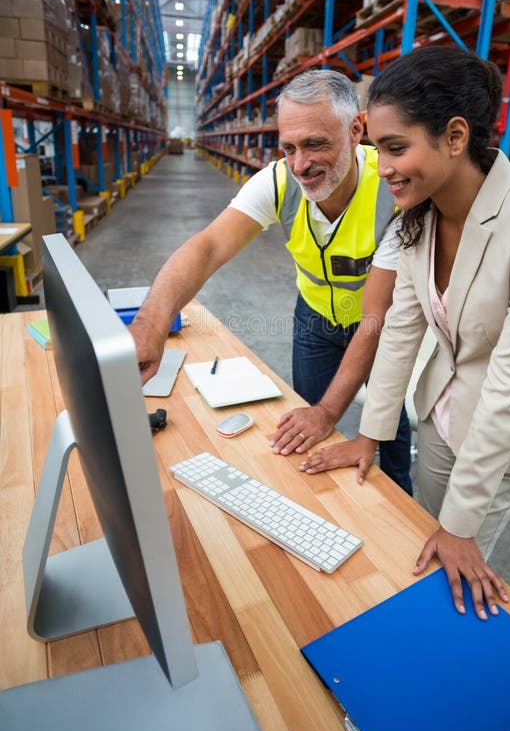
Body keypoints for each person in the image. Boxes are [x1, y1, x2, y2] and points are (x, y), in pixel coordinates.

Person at [300, 46, 510, 620]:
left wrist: (462, 527)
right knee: (420, 536)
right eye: (377, 148)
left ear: (455, 136)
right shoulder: (418, 220)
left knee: (453, 559)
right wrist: (371, 435)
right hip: (438, 412)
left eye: (395, 147)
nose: (381, 167)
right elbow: (399, 335)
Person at [130, 69, 412, 492]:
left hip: (380, 324)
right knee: (309, 425)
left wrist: (331, 410)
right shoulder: (279, 182)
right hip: (315, 323)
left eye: (316, 144)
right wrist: (150, 323)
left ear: (356, 130)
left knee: (387, 424)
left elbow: (380, 315)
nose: (301, 164)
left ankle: (402, 498)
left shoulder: (391, 187)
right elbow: (207, 247)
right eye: (289, 147)